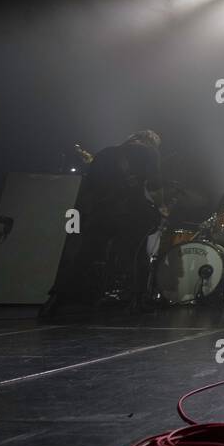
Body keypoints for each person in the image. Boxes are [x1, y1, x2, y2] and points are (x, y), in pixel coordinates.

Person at [45, 130, 163, 315]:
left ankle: (59, 298)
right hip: (131, 211)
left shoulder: (105, 153)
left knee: (85, 254)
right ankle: (135, 300)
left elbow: (90, 183)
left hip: (100, 211)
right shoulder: (149, 152)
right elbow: (154, 185)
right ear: (152, 142)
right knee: (136, 254)